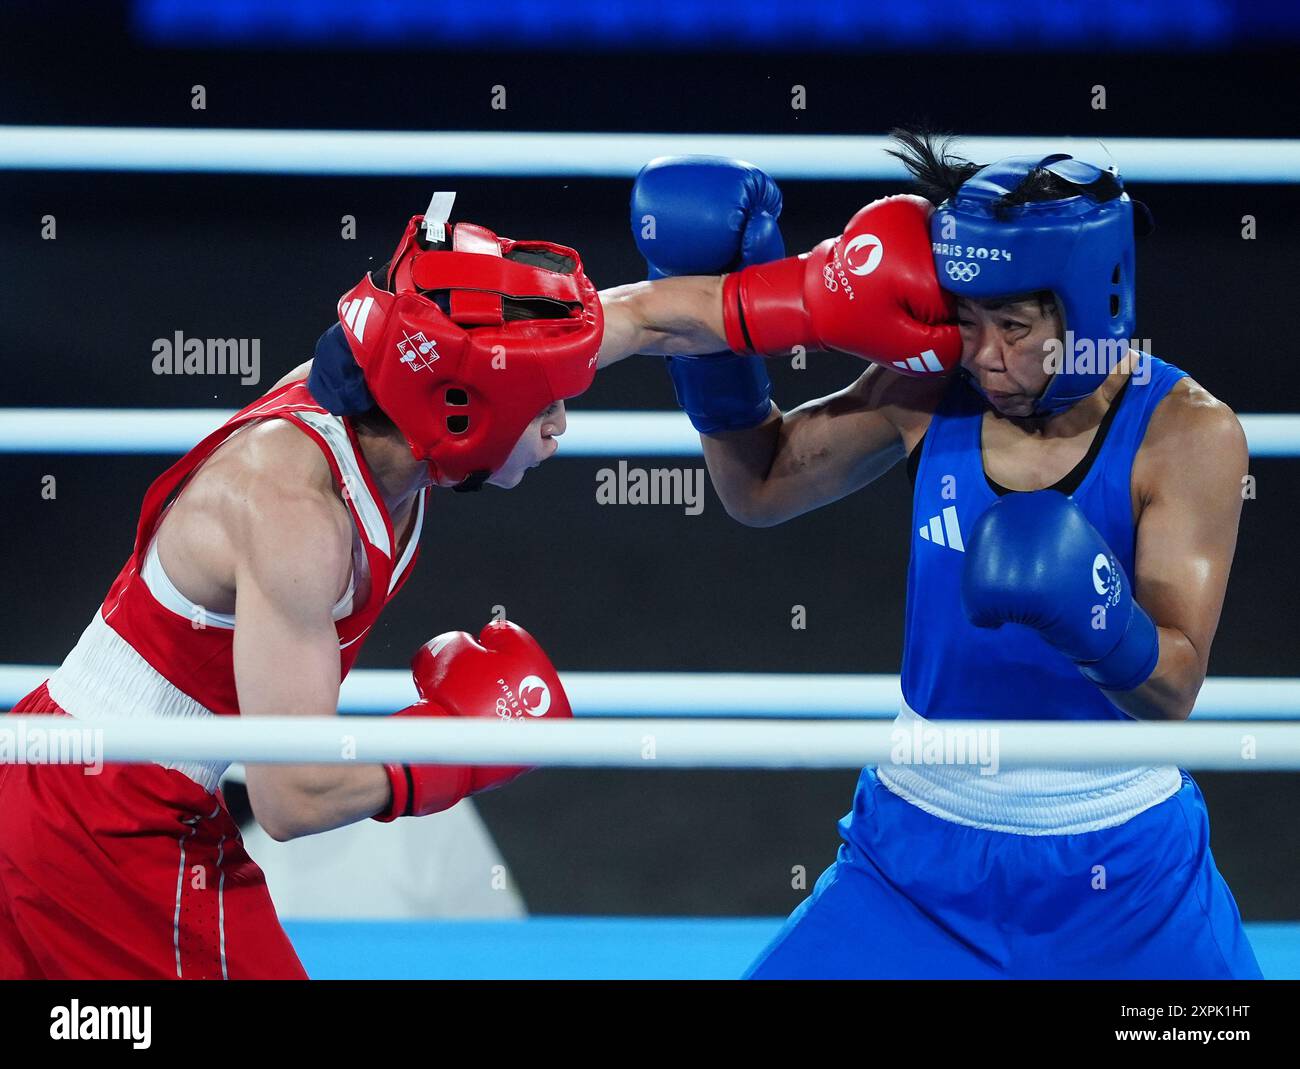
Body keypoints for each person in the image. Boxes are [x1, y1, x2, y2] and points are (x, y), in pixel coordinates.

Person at [0, 201, 720, 979]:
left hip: (81, 787)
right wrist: (458, 741)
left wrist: (824, 292)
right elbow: (293, 794)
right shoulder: (295, 512)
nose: (560, 425)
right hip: (108, 819)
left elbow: (648, 317)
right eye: (541, 400)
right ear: (464, 409)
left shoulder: (412, 384)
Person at [622, 134, 1261, 978]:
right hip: (917, 860)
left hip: (1129, 876)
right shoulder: (930, 390)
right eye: (967, 319)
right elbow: (763, 485)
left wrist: (1090, 609)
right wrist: (716, 353)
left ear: (1094, 301)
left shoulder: (1187, 435)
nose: (986, 356)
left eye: (1015, 326)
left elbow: (1173, 685)